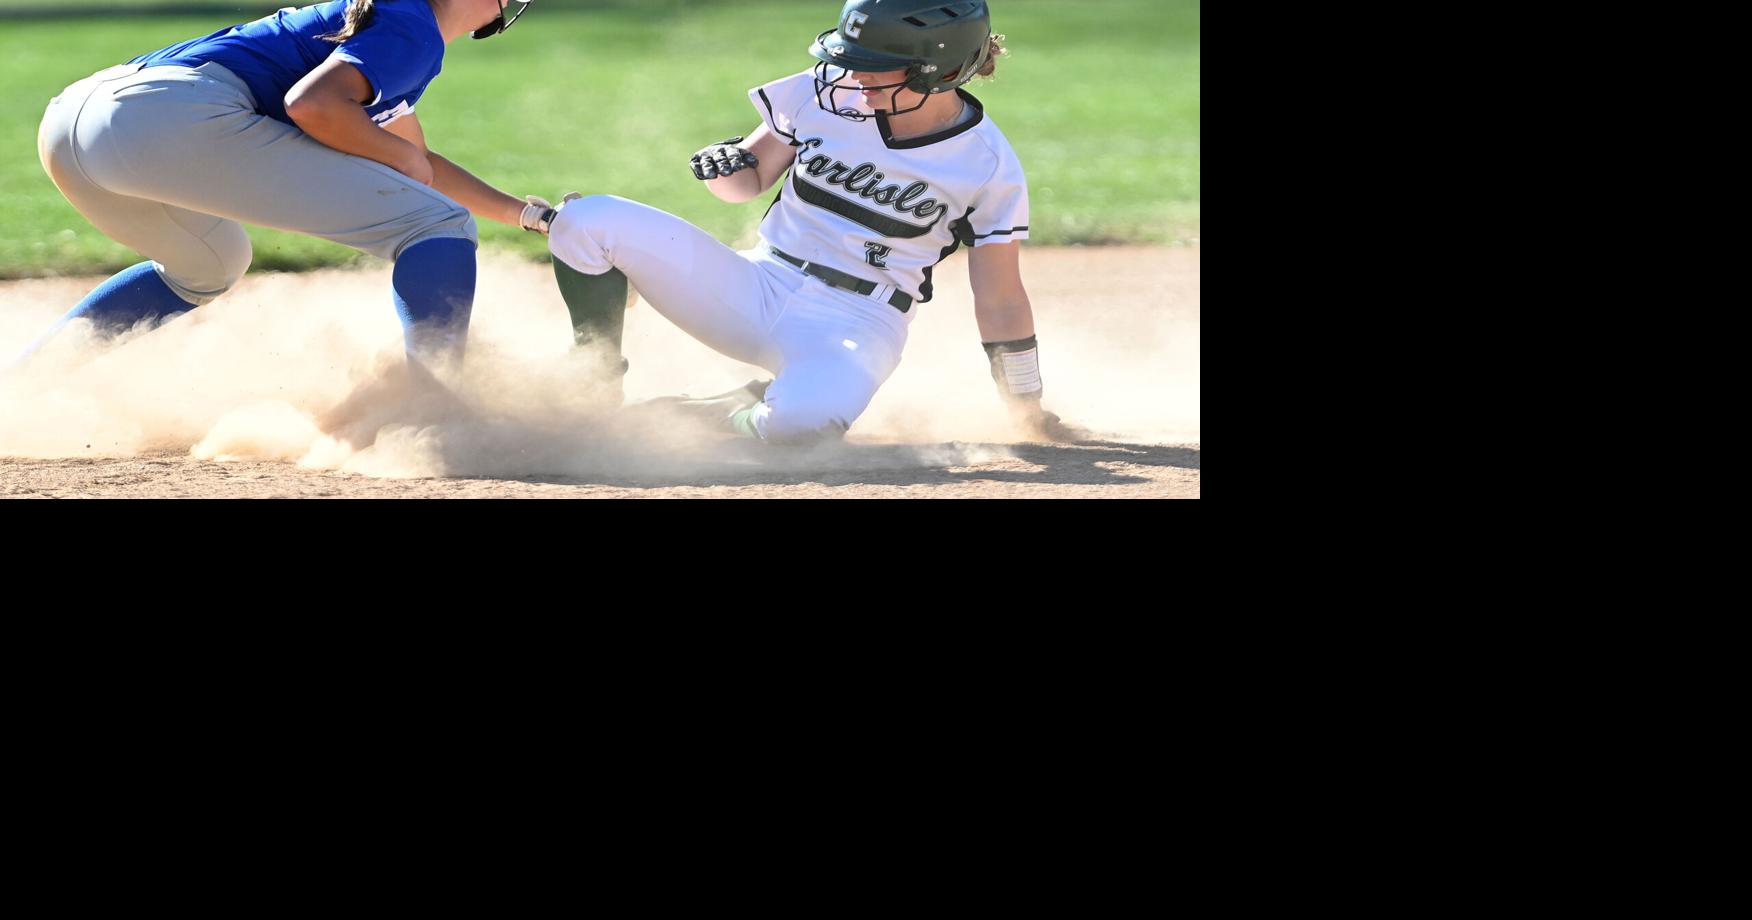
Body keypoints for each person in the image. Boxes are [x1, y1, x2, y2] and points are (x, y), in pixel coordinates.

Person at [546, 0, 1082, 443]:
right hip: (757, 284)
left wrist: (1024, 407)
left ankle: (693, 418)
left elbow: (1001, 299)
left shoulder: (986, 165)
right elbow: (744, 187)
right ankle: (592, 384)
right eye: (852, 55)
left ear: (938, 67)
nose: (855, 72)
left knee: (798, 430)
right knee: (586, 221)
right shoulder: (824, 89)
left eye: (875, 60)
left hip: (856, 324)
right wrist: (723, 164)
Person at [17, 0, 560, 371]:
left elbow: (416, 160)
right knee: (436, 223)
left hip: (74, 124)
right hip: (162, 117)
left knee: (209, 264)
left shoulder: (387, 20)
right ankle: (437, 408)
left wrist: (527, 216)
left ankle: (24, 389)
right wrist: (401, 159)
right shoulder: (412, 27)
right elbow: (314, 105)